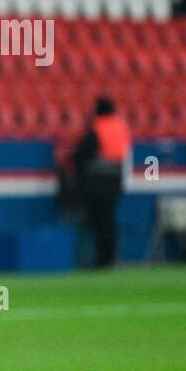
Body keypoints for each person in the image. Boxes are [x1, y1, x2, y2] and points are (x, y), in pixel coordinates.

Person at [72, 97, 131, 268]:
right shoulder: (121, 127)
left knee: (99, 221)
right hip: (115, 180)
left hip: (97, 182)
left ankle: (102, 258)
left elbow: (82, 154)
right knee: (109, 220)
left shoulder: (99, 127)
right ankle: (111, 256)